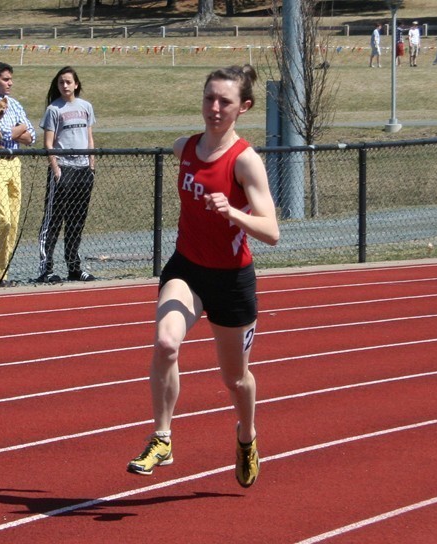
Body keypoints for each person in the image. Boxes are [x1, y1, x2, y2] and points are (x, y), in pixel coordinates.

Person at [125, 65, 280, 488]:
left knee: (235, 380)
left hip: (231, 280)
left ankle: (246, 436)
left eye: (224, 101)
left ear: (243, 108)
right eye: (209, 98)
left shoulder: (245, 161)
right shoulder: (185, 147)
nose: (214, 108)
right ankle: (162, 437)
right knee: (165, 341)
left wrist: (232, 211)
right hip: (187, 268)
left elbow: (272, 232)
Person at [36, 66, 97, 284]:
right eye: (61, 82)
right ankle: (46, 269)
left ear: (76, 84)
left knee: (75, 221)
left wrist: (91, 165)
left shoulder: (86, 107)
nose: (65, 86)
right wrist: (56, 170)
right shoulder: (54, 109)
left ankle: (74, 266)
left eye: (69, 82)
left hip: (83, 169)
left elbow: (89, 138)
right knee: (53, 221)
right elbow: (48, 143)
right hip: (63, 169)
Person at [0, 61, 35, 288]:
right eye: (5, 79)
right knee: (1, 218)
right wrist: (18, 130)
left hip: (15, 162)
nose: (10, 83)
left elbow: (31, 134)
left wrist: (18, 132)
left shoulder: (13, 104)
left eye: (11, 79)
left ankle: (2, 272)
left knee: (13, 221)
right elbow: (1, 134)